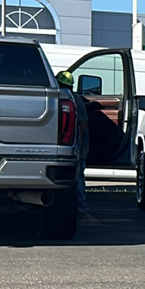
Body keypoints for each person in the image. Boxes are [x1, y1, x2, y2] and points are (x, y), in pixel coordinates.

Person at [55, 71, 90, 215]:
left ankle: (81, 204)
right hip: (76, 144)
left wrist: (78, 145)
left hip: (78, 144)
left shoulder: (74, 100)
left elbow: (82, 124)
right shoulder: (72, 98)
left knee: (78, 175)